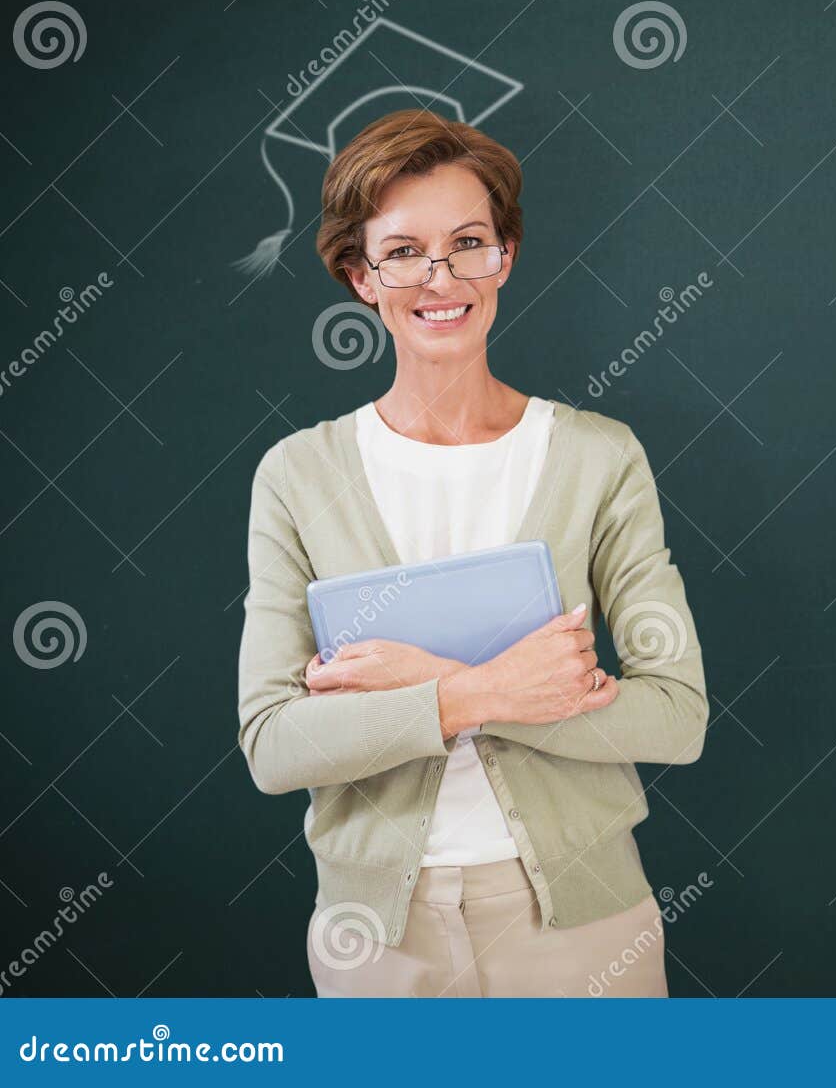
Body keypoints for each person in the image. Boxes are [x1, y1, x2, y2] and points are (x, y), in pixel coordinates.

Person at [235, 108, 708, 997]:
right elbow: (272, 743)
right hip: (375, 941)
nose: (440, 276)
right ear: (359, 275)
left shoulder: (600, 458)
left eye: (468, 242)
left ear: (506, 257)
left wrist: (417, 686)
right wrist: (479, 691)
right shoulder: (298, 476)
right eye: (404, 251)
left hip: (586, 926)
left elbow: (677, 716)